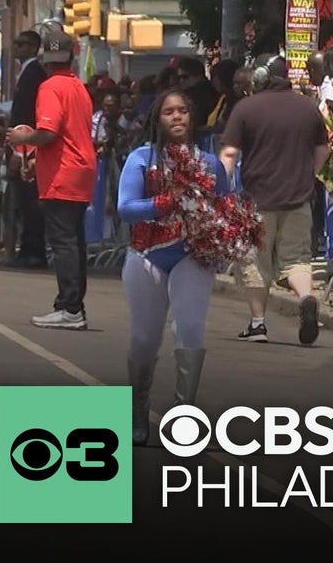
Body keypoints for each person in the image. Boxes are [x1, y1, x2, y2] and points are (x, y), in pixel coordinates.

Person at [117, 91, 229, 445]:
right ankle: (138, 412)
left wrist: (229, 235)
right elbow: (125, 207)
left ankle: (184, 418)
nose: (177, 117)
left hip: (192, 255)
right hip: (146, 253)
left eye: (183, 110)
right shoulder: (141, 158)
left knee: (191, 330)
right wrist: (164, 203)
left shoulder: (210, 163)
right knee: (144, 339)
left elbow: (225, 207)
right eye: (168, 111)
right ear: (157, 119)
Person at [220, 54, 330, 345]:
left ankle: (258, 325)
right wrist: (309, 175)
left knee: (255, 262)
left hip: (258, 199)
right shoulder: (307, 108)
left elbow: (229, 153)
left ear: (258, 76)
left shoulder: (246, 108)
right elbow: (323, 149)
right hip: (299, 197)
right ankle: (306, 297)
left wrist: (219, 189)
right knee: (297, 259)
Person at [7, 29, 98, 330]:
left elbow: (48, 132)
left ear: (46, 57)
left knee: (63, 242)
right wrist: (35, 158)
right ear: (71, 56)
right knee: (74, 241)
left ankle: (70, 307)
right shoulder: (78, 88)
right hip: (81, 169)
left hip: (63, 172)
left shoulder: (49, 87)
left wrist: (23, 138)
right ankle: (74, 306)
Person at [8, 29, 48, 268]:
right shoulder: (25, 73)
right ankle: (27, 249)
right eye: (16, 43)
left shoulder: (34, 73)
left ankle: (34, 252)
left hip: (29, 150)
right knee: (24, 202)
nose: (17, 48)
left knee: (31, 202)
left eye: (22, 44)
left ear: (34, 47)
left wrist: (20, 153)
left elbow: (27, 117)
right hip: (23, 145)